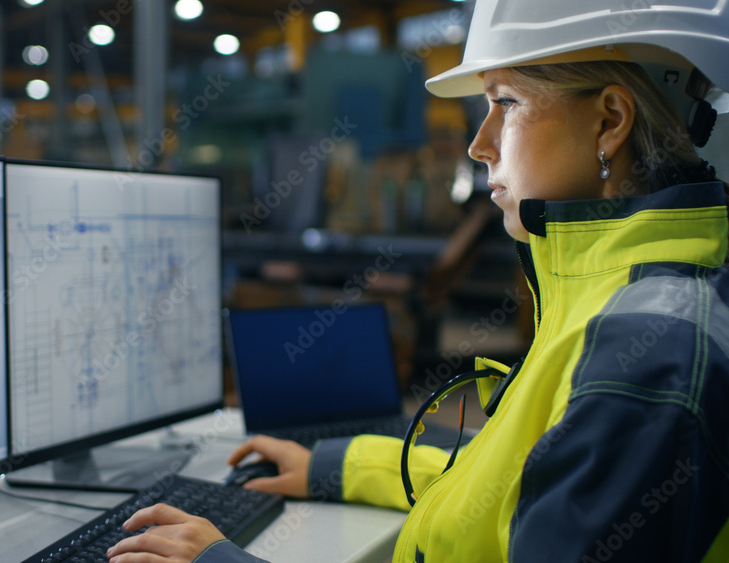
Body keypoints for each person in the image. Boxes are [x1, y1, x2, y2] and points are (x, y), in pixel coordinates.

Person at [107, 0, 729, 560]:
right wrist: (340, 465)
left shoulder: (646, 358)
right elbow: (513, 496)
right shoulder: (622, 301)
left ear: (610, 120)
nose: (479, 144)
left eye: (505, 103)